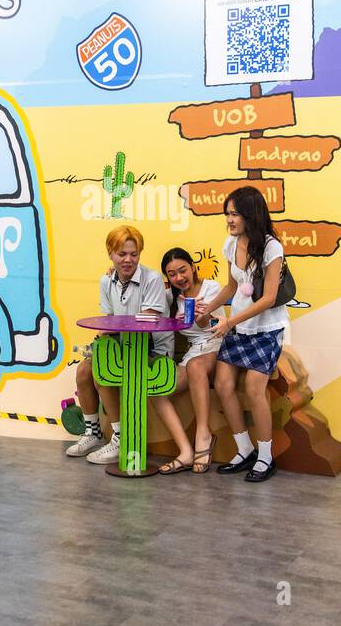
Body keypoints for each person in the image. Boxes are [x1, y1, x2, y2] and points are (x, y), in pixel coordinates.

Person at [195, 186, 289, 483]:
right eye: (227, 214)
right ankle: (245, 449)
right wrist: (207, 309)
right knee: (222, 385)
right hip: (237, 327)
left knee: (253, 388)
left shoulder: (272, 247)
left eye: (234, 214)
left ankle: (265, 456)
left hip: (264, 329)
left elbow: (269, 298)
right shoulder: (230, 244)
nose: (229, 220)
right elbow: (232, 287)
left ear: (250, 214)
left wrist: (229, 321)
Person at [65, 225, 172, 464]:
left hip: (151, 348)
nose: (128, 260)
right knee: (84, 370)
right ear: (110, 253)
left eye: (134, 254)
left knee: (102, 371)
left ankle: (121, 438)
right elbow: (109, 319)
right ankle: (93, 433)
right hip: (121, 344)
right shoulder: (106, 280)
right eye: (122, 254)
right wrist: (102, 339)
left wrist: (110, 329)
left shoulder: (152, 278)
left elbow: (148, 321)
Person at [151, 248, 224, 474]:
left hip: (216, 345)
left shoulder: (212, 288)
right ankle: (185, 451)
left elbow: (214, 328)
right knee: (156, 388)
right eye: (172, 274)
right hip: (194, 352)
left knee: (194, 366)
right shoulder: (170, 297)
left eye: (182, 270)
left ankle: (203, 434)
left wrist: (205, 315)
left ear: (192, 267)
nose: (179, 278)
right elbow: (144, 297)